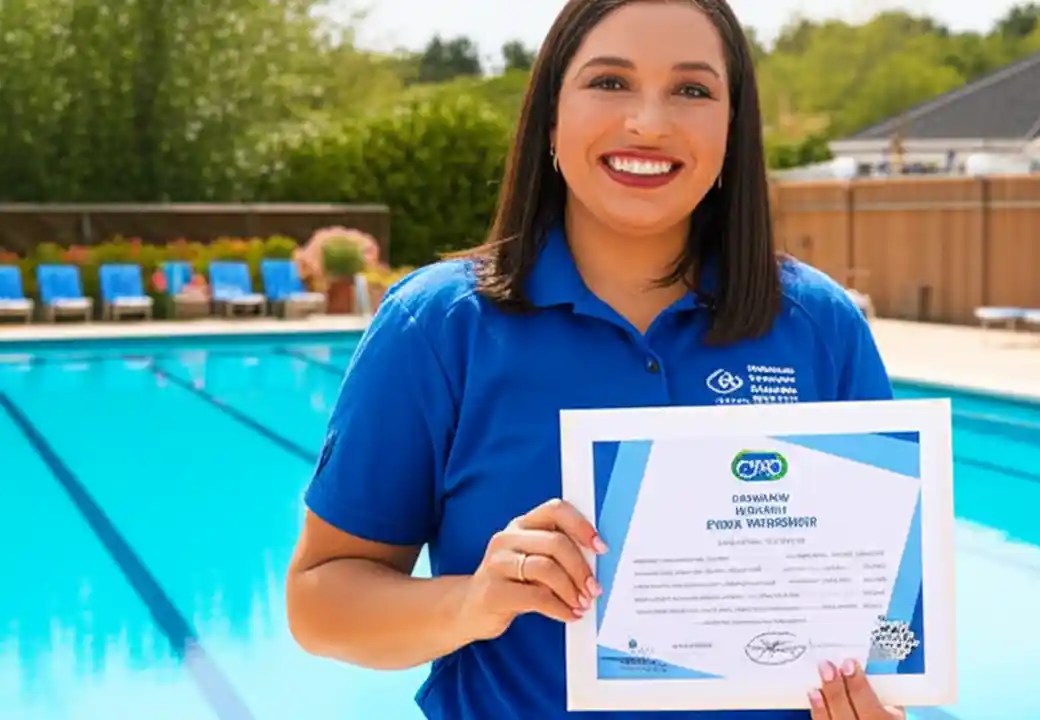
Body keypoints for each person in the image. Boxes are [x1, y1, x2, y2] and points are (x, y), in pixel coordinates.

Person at [285, 1, 905, 719]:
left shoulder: (818, 327)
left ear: (733, 132)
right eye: (610, 82)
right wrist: (473, 601)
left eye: (693, 90)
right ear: (551, 115)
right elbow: (319, 601)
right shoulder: (438, 328)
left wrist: (879, 705)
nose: (648, 122)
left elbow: (883, 628)